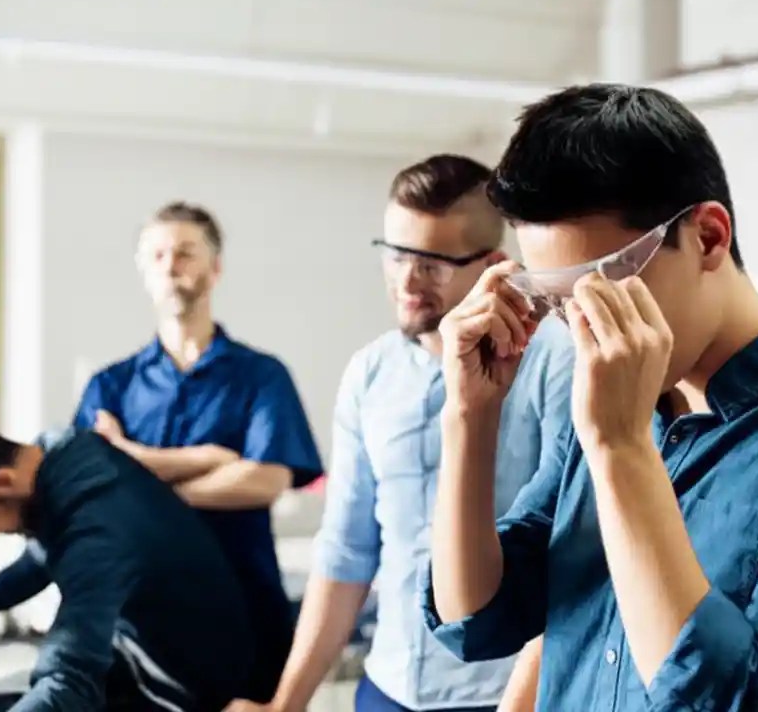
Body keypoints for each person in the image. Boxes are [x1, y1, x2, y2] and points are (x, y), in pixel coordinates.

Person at [424, 83, 758, 711]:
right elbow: (479, 620)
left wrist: (620, 450)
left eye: (603, 286)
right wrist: (469, 412)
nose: (577, 324)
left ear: (707, 236)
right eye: (553, 297)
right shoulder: (609, 409)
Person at [226, 156, 573, 712]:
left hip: (503, 695)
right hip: (389, 689)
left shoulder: (555, 362)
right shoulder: (371, 373)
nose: (407, 281)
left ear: (493, 267)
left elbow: (570, 563)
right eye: (396, 255)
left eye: (431, 264)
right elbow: (346, 554)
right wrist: (284, 705)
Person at [76, 202, 324, 703]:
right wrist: (211, 458)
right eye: (158, 255)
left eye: (186, 252)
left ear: (215, 268)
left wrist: (134, 464)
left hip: (249, 620)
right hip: (140, 631)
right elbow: (94, 496)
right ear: (144, 272)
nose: (171, 265)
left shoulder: (262, 376)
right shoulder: (110, 387)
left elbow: (266, 480)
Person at [0, 414, 255, 711]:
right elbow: (42, 558)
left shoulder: (97, 537)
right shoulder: (63, 450)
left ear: (3, 484)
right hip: (142, 648)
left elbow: (71, 681)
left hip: (187, 688)